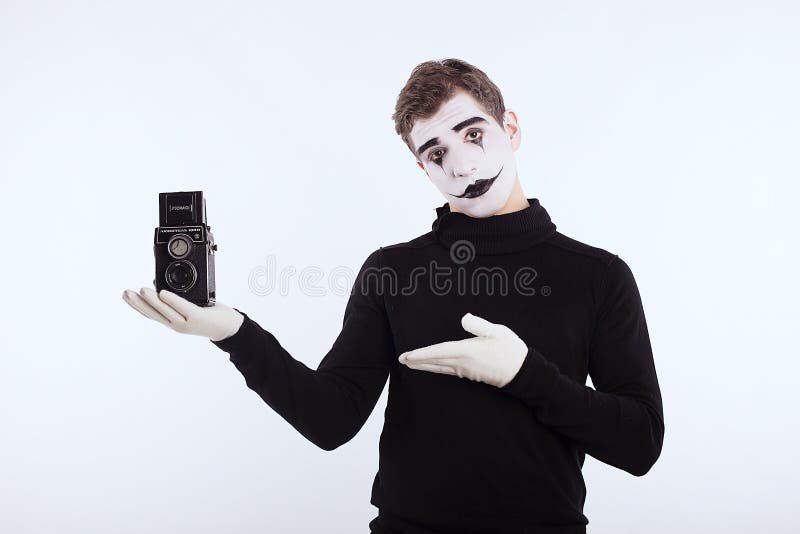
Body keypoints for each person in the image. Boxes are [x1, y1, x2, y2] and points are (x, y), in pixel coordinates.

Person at [122, 58, 665, 534]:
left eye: (472, 134)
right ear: (420, 165)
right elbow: (330, 420)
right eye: (436, 152)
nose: (461, 165)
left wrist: (523, 373)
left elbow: (640, 446)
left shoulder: (599, 276)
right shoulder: (393, 271)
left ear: (511, 127)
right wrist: (234, 333)